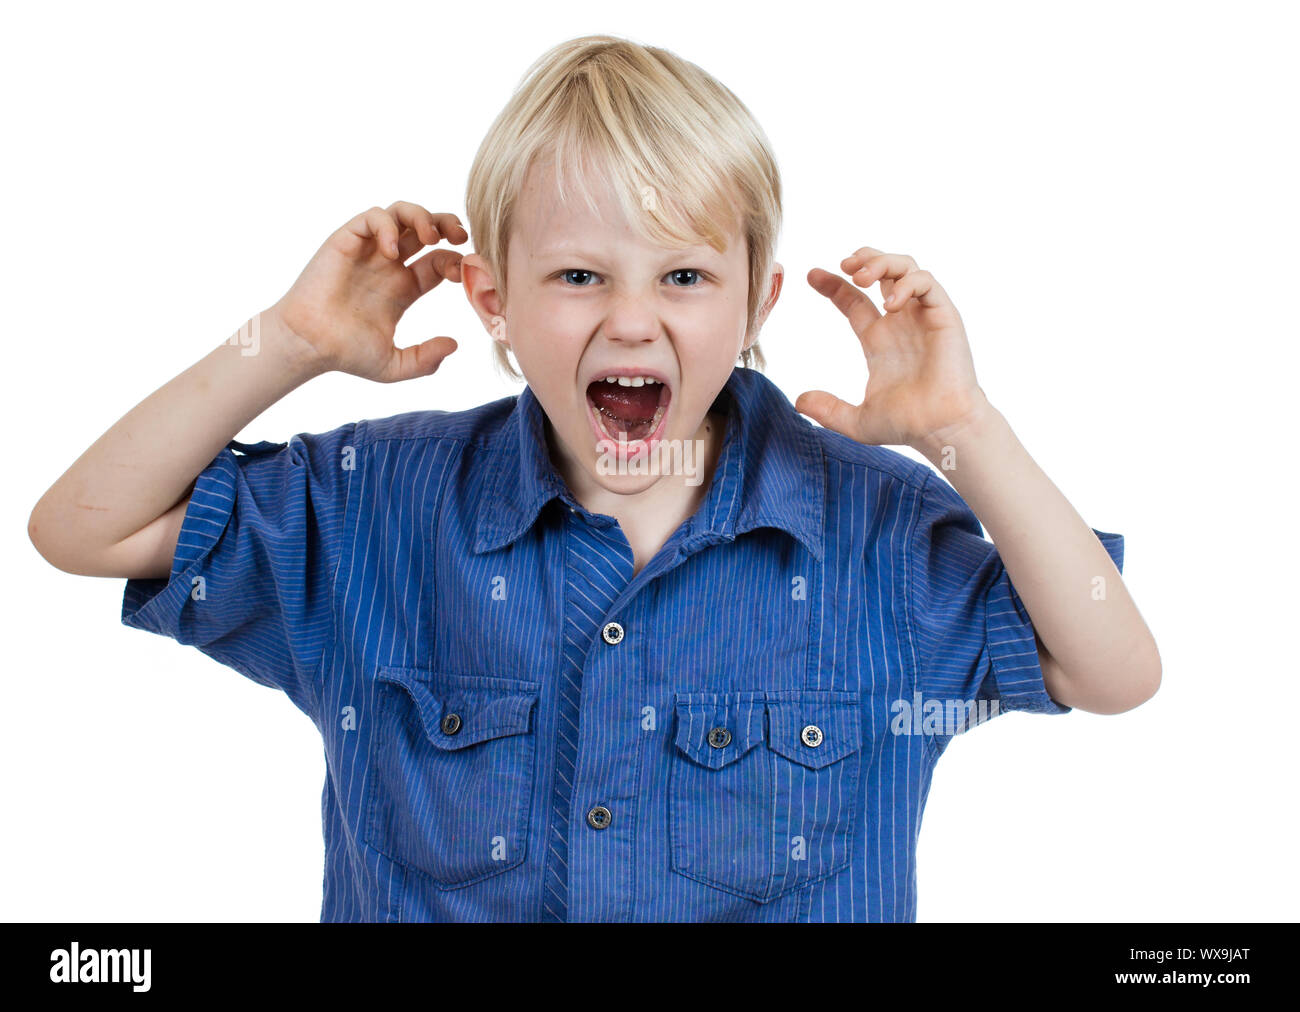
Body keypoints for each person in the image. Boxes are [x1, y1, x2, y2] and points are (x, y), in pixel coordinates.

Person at [27, 34, 1160, 922]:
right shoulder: (377, 506)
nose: (631, 319)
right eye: (577, 274)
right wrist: (284, 340)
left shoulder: (870, 531)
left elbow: (1113, 667)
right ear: (493, 303)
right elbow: (83, 525)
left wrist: (965, 428)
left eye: (682, 274)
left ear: (757, 303)